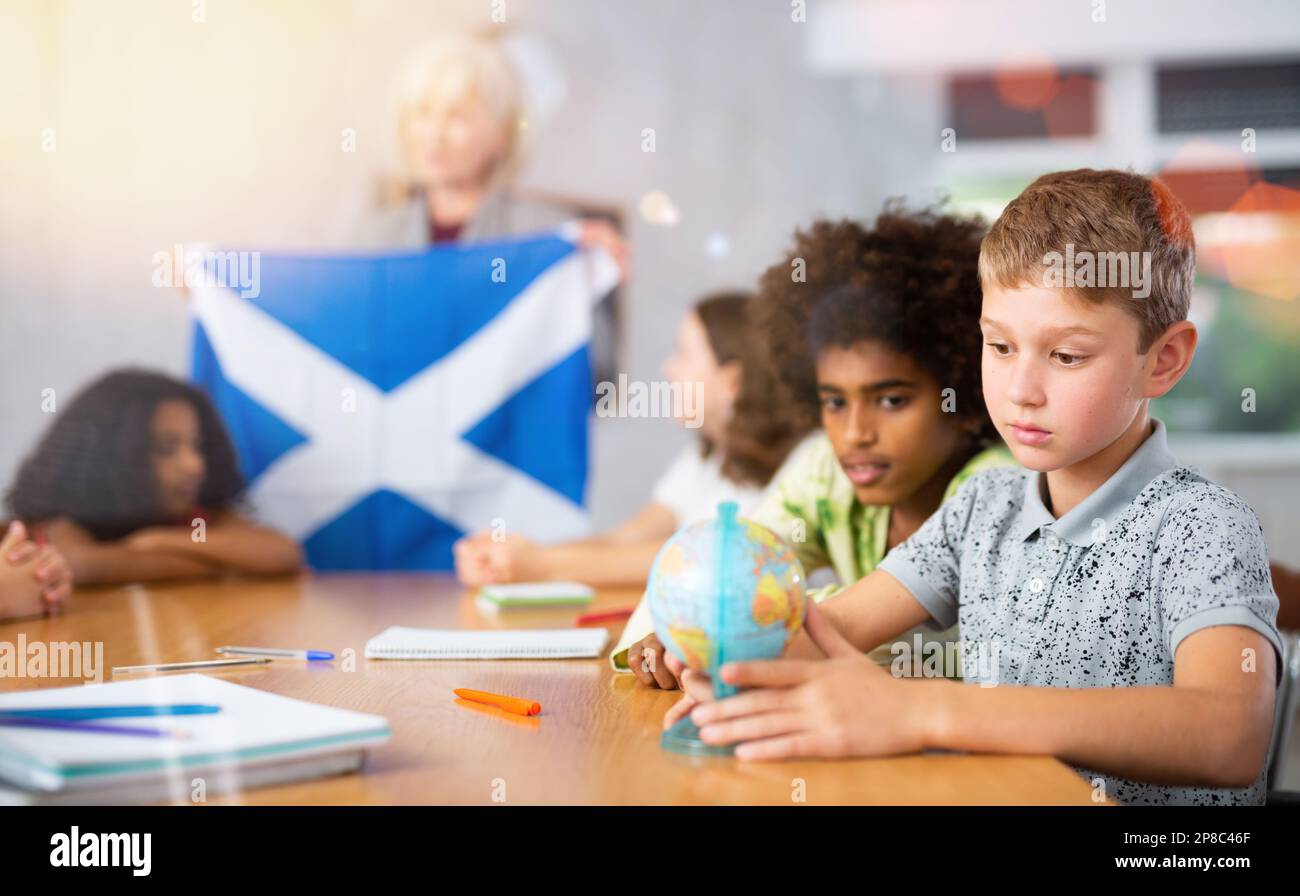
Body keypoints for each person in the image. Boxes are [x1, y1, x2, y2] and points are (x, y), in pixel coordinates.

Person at [668, 169, 1282, 806]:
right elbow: (830, 630)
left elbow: (1229, 733)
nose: (1021, 390)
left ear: (1164, 360)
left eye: (1066, 356)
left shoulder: (1202, 525)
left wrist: (924, 709)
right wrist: (720, 647)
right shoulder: (982, 508)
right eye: (1000, 346)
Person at [619, 208, 1015, 689]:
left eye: (891, 400)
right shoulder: (823, 469)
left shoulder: (1000, 487)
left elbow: (945, 647)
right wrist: (667, 633)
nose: (853, 433)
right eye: (833, 401)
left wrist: (737, 628)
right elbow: (730, 560)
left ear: (966, 395)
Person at [455, 291, 803, 598]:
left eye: (683, 355)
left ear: (732, 380)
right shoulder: (704, 458)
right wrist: (517, 558)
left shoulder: (796, 469)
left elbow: (701, 562)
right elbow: (626, 539)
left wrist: (541, 566)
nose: (668, 370)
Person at [7, 370, 302, 585]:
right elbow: (83, 567)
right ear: (111, 457)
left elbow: (282, 552)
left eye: (197, 446)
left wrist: (160, 540)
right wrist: (222, 563)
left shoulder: (194, 517)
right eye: (166, 449)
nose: (194, 465)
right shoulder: (63, 520)